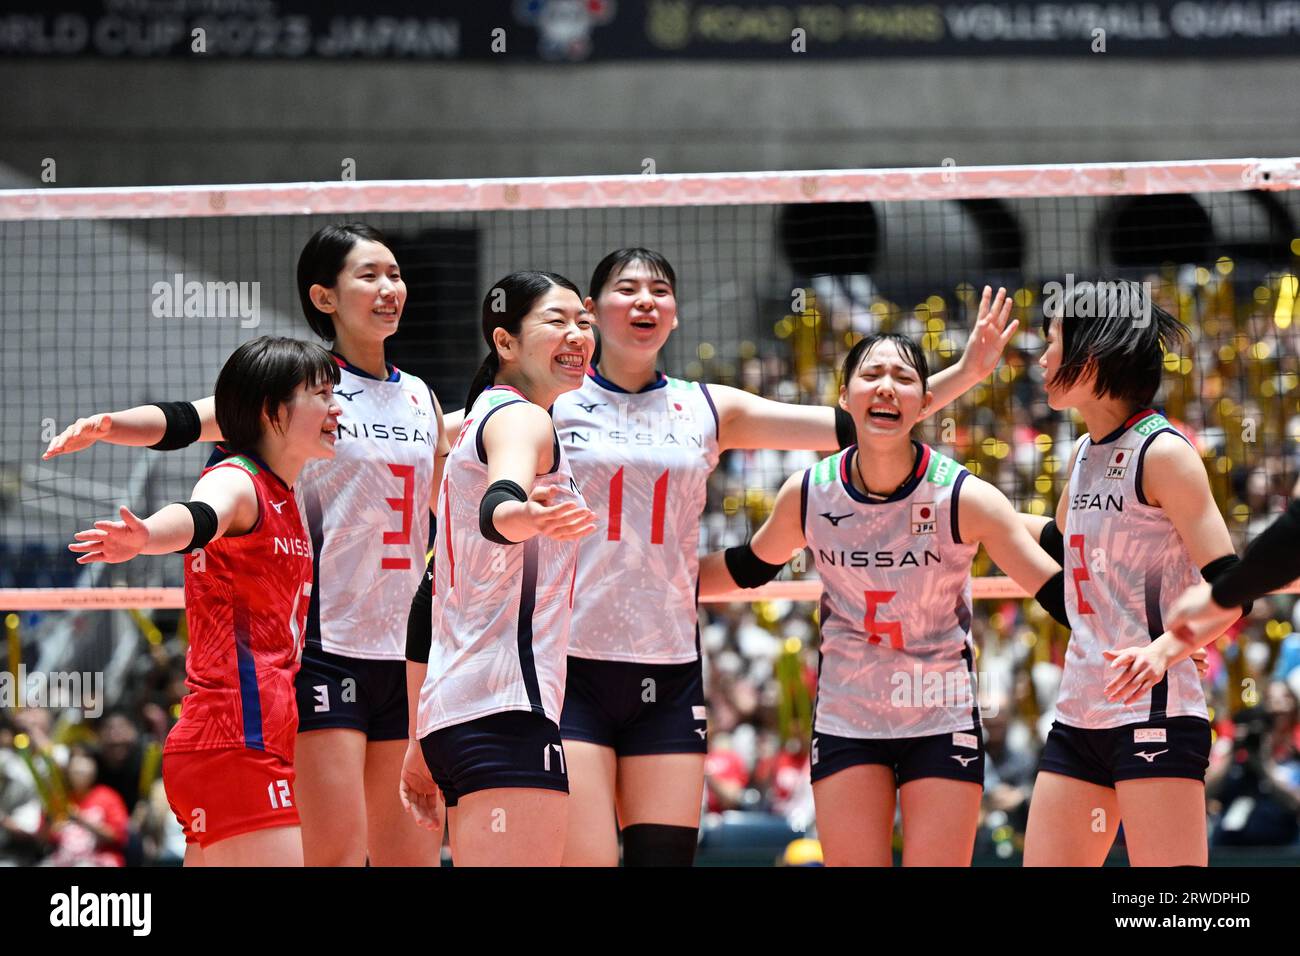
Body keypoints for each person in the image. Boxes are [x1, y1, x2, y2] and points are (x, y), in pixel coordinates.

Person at [439, 249, 1018, 866]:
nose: (645, 301)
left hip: (670, 668)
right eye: (627, 288)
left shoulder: (708, 407)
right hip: (570, 664)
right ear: (592, 313)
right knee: (587, 860)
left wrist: (965, 374)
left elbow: (865, 421)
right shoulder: (547, 403)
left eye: (660, 290)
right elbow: (451, 450)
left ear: (676, 314)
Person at [45, 224, 447, 867]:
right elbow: (189, 421)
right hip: (321, 650)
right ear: (324, 297)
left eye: (395, 274)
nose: (389, 288)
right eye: (368, 275)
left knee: (409, 859)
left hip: (403, 654)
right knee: (334, 857)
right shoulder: (302, 391)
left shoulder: (423, 398)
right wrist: (109, 427)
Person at [699, 332, 1070, 866]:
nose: (887, 388)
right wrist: (663, 581)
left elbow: (1056, 594)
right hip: (849, 720)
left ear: (924, 403)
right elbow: (747, 567)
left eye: (903, 378)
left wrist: (1164, 640)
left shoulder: (962, 495)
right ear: (845, 398)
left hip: (940, 719)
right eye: (871, 375)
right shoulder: (808, 493)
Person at [66, 335, 341, 866]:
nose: (337, 407)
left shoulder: (286, 493)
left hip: (238, 743)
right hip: (235, 741)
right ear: (273, 411)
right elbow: (199, 516)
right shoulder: (238, 480)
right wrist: (146, 534)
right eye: (321, 394)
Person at [1020, 281, 1247, 867]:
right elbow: (1057, 544)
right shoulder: (1086, 453)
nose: (1041, 359)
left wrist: (1166, 650)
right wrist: (965, 510)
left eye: (1051, 344)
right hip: (1080, 714)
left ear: (1089, 361)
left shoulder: (1164, 453)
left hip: (1155, 713)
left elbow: (1233, 589)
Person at [400, 271, 597, 866]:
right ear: (505, 343)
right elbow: (498, 506)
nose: (577, 334)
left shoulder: (479, 418)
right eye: (556, 321)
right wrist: (524, 515)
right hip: (506, 713)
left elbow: (427, 595)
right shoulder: (522, 420)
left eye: (583, 322)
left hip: (456, 716)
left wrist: (418, 741)